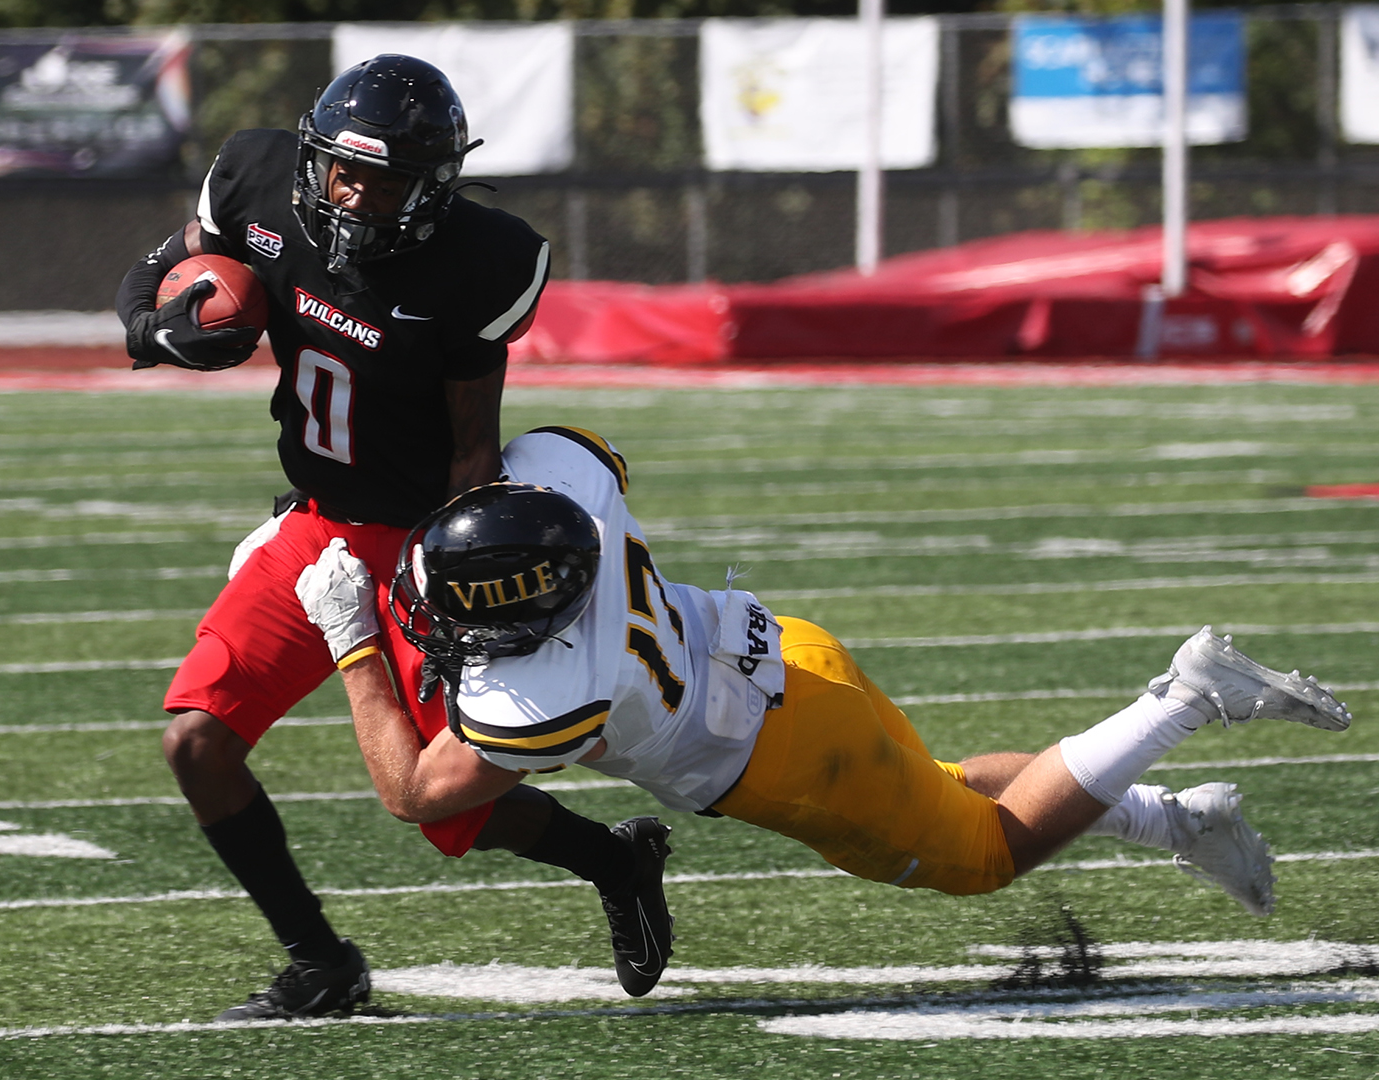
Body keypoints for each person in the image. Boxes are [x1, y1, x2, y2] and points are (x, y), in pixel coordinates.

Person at [294, 426, 1355, 993]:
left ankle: (1181, 700)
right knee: (942, 789)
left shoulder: (554, 688)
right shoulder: (562, 486)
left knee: (981, 853)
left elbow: (413, 792)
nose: (440, 629)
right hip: (785, 651)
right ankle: (1181, 819)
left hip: (782, 758)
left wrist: (352, 641)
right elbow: (579, 462)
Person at [116, 57, 651, 1021]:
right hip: (315, 526)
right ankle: (321, 963)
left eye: (389, 177)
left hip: (415, 542)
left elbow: (470, 449)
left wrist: (461, 593)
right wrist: (160, 331)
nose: (357, 194)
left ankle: (614, 857)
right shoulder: (257, 180)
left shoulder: (474, 261)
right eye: (344, 171)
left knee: (445, 802)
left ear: (436, 183)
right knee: (196, 744)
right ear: (315, 157)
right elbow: (159, 275)